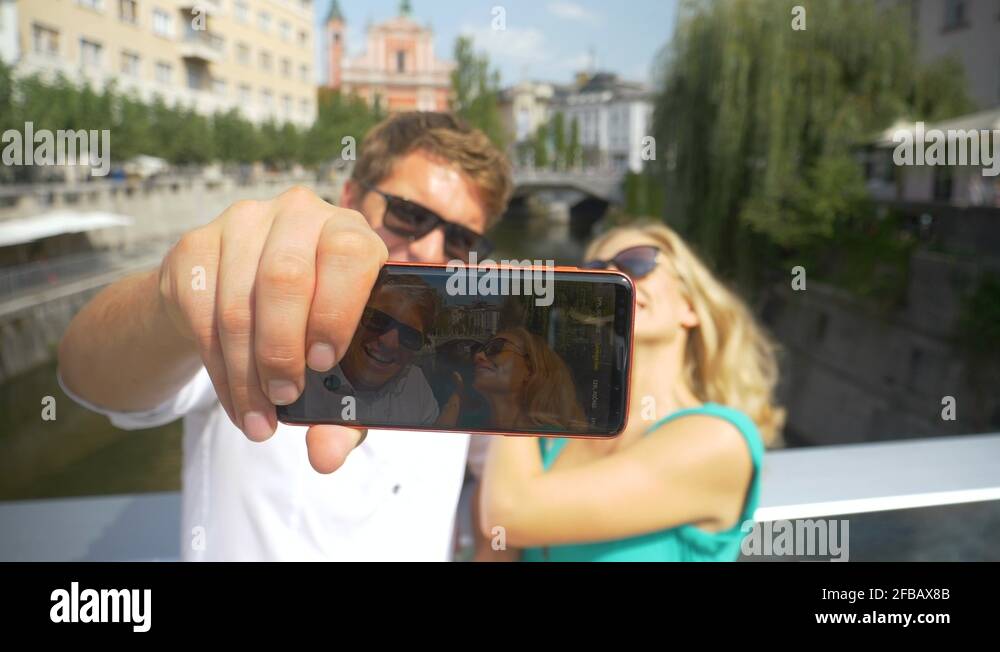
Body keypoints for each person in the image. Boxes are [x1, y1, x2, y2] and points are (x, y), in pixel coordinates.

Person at [57, 112, 513, 560]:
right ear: (351, 196)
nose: (430, 252)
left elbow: (503, 500)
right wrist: (170, 301)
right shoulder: (261, 299)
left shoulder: (467, 359)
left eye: (460, 242)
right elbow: (89, 377)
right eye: (408, 215)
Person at [477, 222, 785, 561]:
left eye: (637, 262)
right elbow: (497, 547)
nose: (610, 275)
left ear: (690, 306)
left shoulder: (720, 440)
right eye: (594, 271)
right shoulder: (555, 430)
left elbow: (508, 515)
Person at [298, 272, 440, 427]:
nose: (389, 342)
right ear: (352, 316)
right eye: (378, 320)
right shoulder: (302, 375)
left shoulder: (416, 385)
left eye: (409, 336)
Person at [440, 327, 586, 432]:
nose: (478, 356)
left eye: (496, 348)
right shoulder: (470, 425)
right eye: (481, 350)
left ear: (530, 369)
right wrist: (456, 400)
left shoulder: (551, 439)